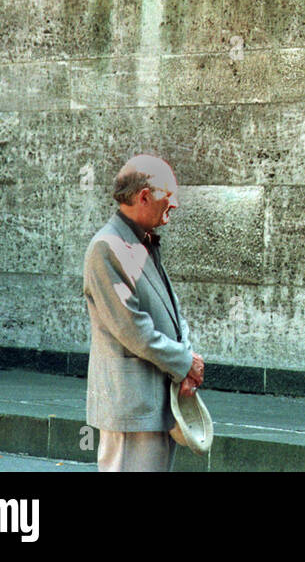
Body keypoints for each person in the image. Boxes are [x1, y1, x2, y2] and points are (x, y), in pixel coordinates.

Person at [82, 154, 205, 471]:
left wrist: (184, 363)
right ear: (145, 196)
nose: (174, 204)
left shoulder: (140, 242)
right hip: (131, 406)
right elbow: (132, 328)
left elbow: (172, 311)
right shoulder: (106, 247)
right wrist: (184, 361)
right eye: (169, 194)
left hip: (152, 401)